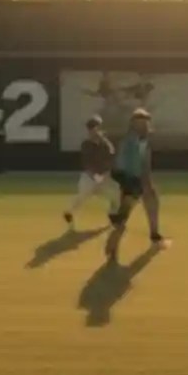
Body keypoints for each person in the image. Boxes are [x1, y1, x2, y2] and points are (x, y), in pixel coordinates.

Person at [104, 109, 167, 262]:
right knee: (122, 219)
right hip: (126, 181)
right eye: (141, 122)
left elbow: (144, 162)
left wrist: (147, 183)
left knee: (151, 198)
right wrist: (141, 183)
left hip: (129, 180)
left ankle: (154, 234)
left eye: (146, 122)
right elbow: (130, 166)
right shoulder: (132, 141)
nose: (145, 125)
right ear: (133, 124)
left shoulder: (142, 140)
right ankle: (111, 250)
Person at [63, 115, 117, 226]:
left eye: (96, 127)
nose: (94, 130)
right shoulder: (86, 144)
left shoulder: (106, 144)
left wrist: (105, 175)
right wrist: (94, 176)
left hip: (104, 177)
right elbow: (87, 164)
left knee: (115, 197)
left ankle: (112, 216)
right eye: (91, 128)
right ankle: (69, 213)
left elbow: (110, 160)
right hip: (89, 177)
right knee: (82, 197)